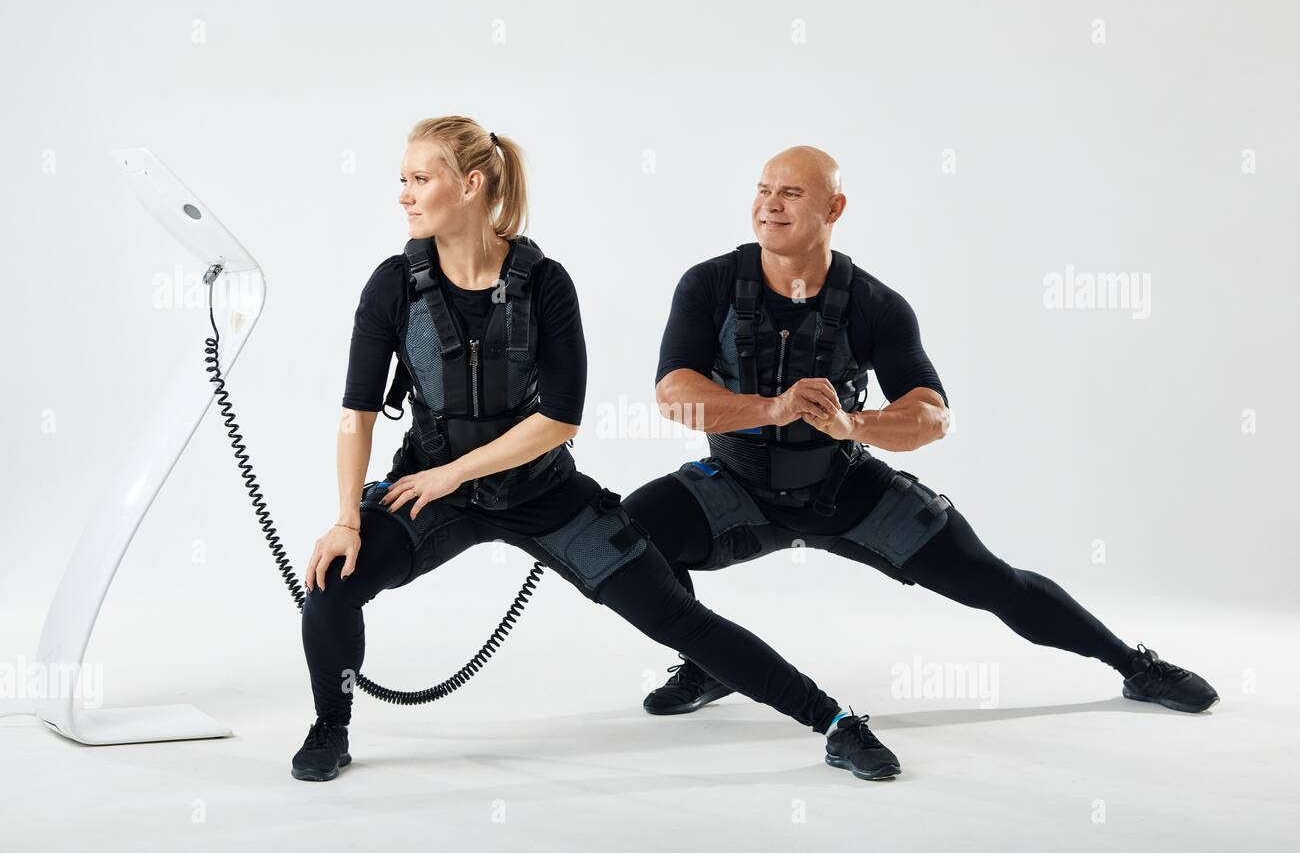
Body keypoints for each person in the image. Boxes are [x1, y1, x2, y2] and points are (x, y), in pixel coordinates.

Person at [293, 119, 882, 782]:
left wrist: (451, 473)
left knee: (673, 616)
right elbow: (357, 413)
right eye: (402, 180)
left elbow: (559, 420)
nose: (404, 194)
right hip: (427, 491)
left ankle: (835, 722)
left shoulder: (544, 282)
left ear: (471, 185)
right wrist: (347, 519)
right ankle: (329, 731)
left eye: (419, 179)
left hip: (541, 494)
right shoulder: (392, 284)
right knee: (330, 583)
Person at [625, 145, 1218, 774]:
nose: (770, 204)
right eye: (764, 188)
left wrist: (851, 423)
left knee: (993, 582)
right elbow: (673, 397)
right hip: (738, 488)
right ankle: (710, 666)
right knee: (627, 538)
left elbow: (932, 416)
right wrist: (772, 409)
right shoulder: (709, 284)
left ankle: (1135, 667)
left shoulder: (874, 304)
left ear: (834, 208)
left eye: (792, 193)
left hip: (842, 490)